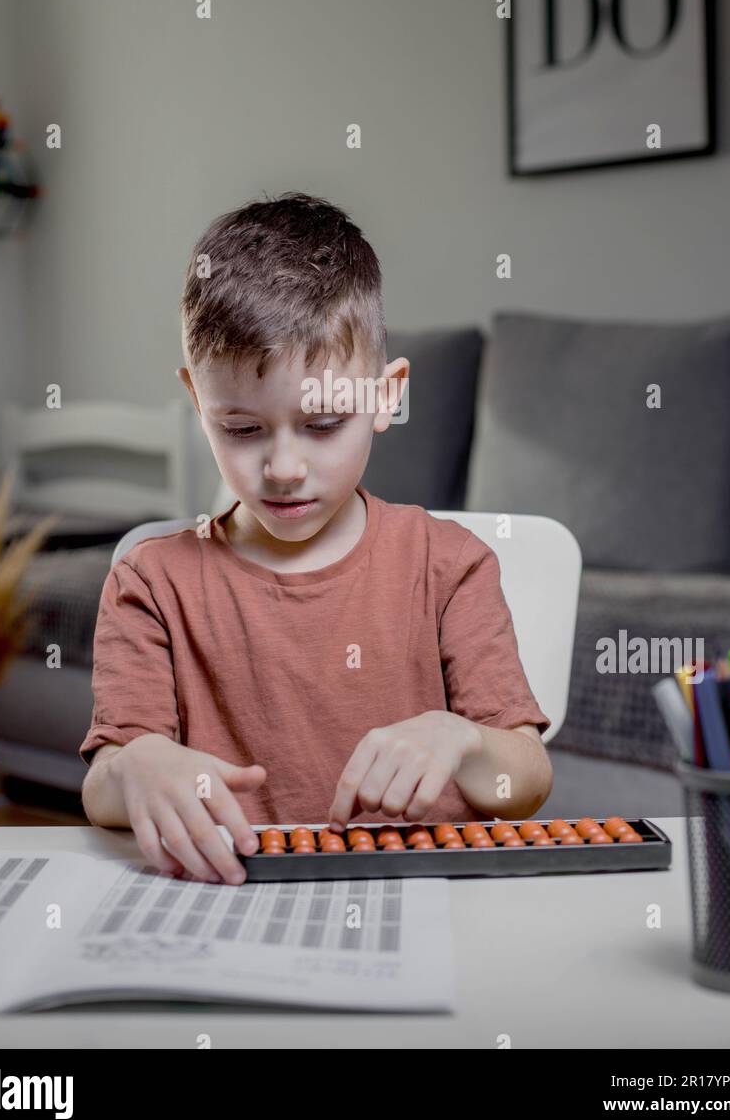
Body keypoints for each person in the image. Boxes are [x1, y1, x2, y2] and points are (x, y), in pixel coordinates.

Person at [80, 192, 551, 884]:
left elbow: (528, 781)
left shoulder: (450, 567)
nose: (284, 468)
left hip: (424, 905)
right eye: (241, 429)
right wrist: (138, 767)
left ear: (387, 397)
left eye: (324, 423)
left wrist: (462, 741)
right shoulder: (151, 582)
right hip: (233, 905)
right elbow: (104, 786)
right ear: (196, 403)